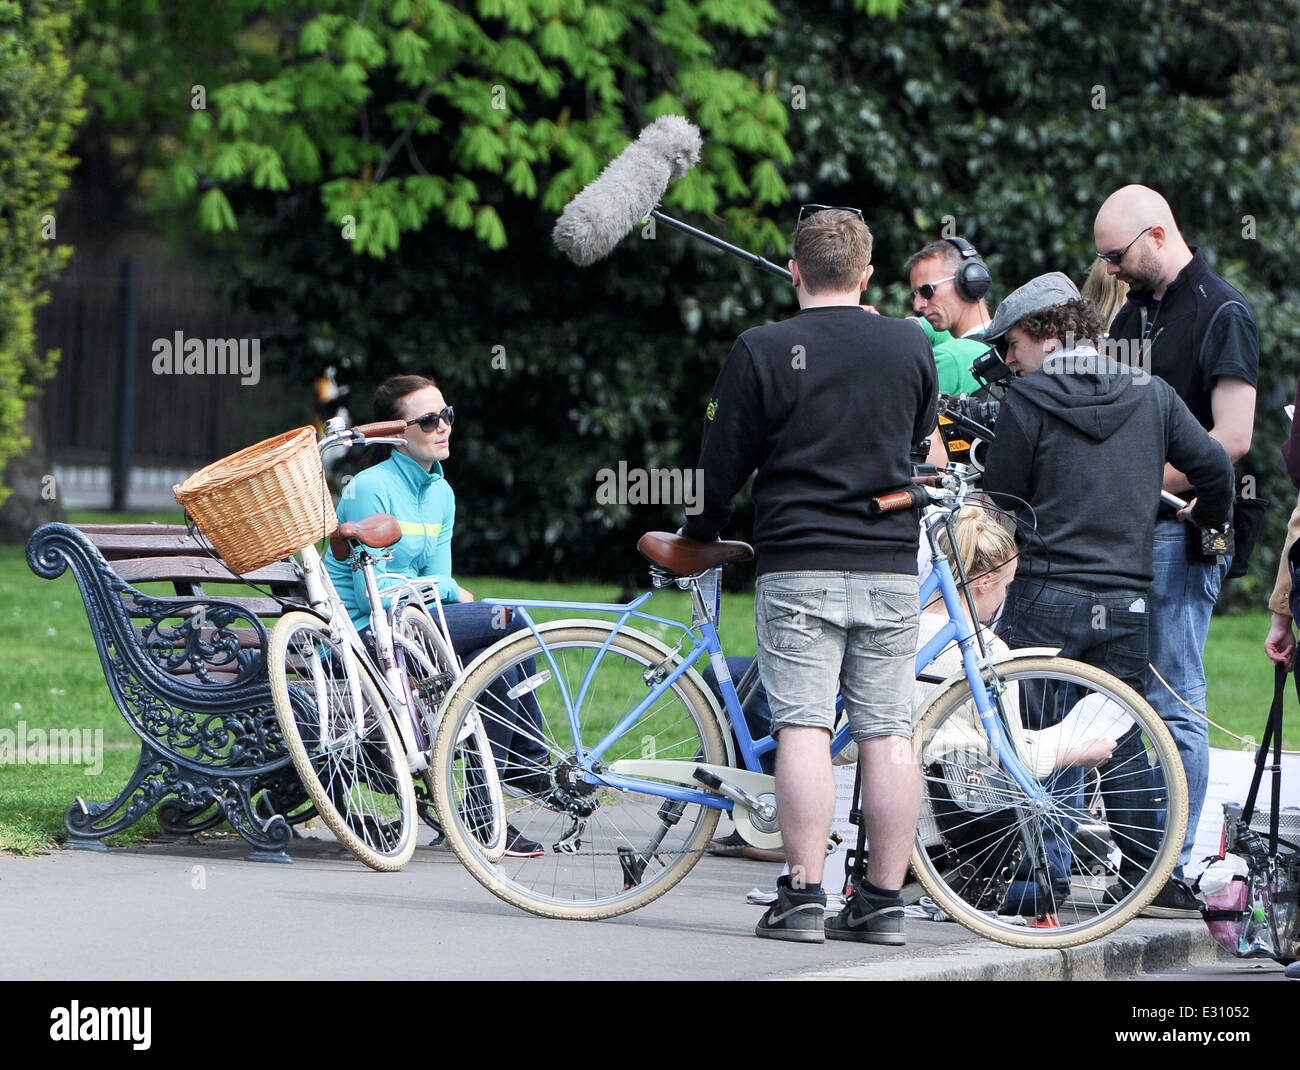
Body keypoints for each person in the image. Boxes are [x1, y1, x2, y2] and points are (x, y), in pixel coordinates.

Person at [682, 205, 937, 945]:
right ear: (867, 276)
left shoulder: (763, 348)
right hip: (889, 564)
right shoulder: (909, 342)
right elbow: (919, 437)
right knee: (889, 735)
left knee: (803, 728)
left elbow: (721, 465)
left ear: (795, 270)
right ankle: (883, 902)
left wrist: (701, 534)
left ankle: (801, 897)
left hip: (799, 564)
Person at [980, 272, 1235, 913]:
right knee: (1114, 736)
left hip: (1044, 592)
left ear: (1043, 332)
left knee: (1035, 737)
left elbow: (1003, 504)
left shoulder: (1029, 400)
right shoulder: (1152, 393)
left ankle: (1042, 876)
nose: (1006, 359)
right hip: (1126, 599)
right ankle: (1147, 872)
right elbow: (1214, 466)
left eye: (1010, 343)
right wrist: (1207, 527)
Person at [1095, 185, 1259, 910]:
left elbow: (1233, 438)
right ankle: (1145, 853)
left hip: (1184, 531)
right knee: (1127, 695)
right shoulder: (1134, 313)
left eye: (1117, 255)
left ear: (1157, 235)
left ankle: (1178, 862)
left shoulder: (1224, 311)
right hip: (1130, 525)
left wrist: (1130, 473)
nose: (1111, 270)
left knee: (1174, 695)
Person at [324, 374, 551, 858]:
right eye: (428, 420)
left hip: (414, 628)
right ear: (394, 433)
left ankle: (483, 811)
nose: (443, 426)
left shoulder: (441, 494)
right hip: (364, 635)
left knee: (499, 646)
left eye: (446, 415)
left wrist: (445, 592)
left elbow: (437, 589)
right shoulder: (369, 488)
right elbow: (374, 597)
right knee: (511, 620)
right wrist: (447, 590)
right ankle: (523, 770)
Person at [904, 237, 994, 396]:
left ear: (969, 280)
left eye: (927, 291)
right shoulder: (1005, 341)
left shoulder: (949, 359)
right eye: (915, 294)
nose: (917, 305)